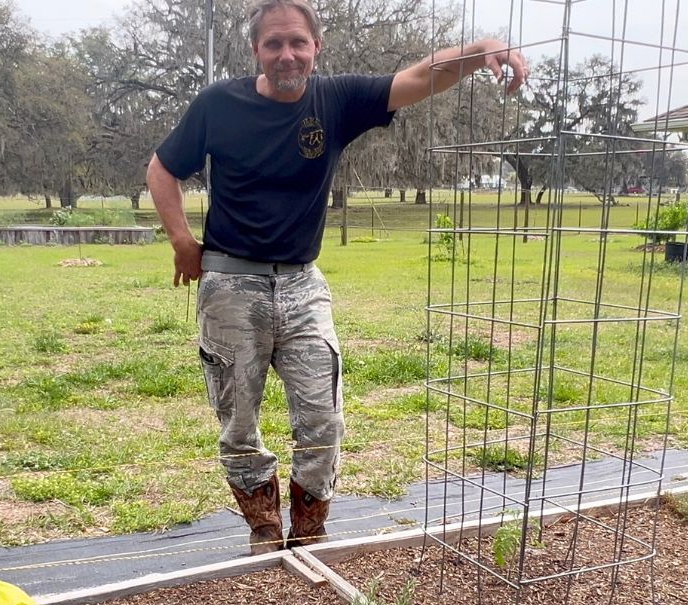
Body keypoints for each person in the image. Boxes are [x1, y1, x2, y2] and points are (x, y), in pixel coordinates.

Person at [146, 0, 527, 554]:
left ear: (316, 47)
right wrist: (183, 242)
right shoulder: (217, 104)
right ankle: (263, 531)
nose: (287, 54)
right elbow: (163, 169)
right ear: (257, 50)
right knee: (238, 423)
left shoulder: (337, 99)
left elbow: (419, 76)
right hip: (230, 285)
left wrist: (478, 50)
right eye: (274, 43)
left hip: (303, 284)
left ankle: (309, 536)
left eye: (298, 42)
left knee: (323, 421)